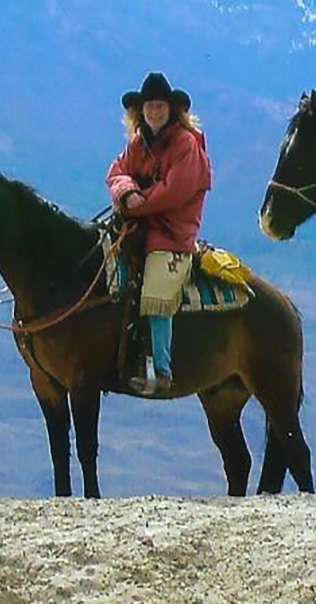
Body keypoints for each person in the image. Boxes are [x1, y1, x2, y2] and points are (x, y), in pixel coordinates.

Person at [106, 72, 211, 393]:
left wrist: (135, 204)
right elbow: (116, 172)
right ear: (140, 110)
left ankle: (161, 370)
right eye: (149, 106)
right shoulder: (138, 143)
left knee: (157, 292)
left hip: (172, 234)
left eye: (160, 106)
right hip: (139, 227)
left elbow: (174, 192)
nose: (154, 111)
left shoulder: (185, 144)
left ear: (171, 110)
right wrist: (126, 192)